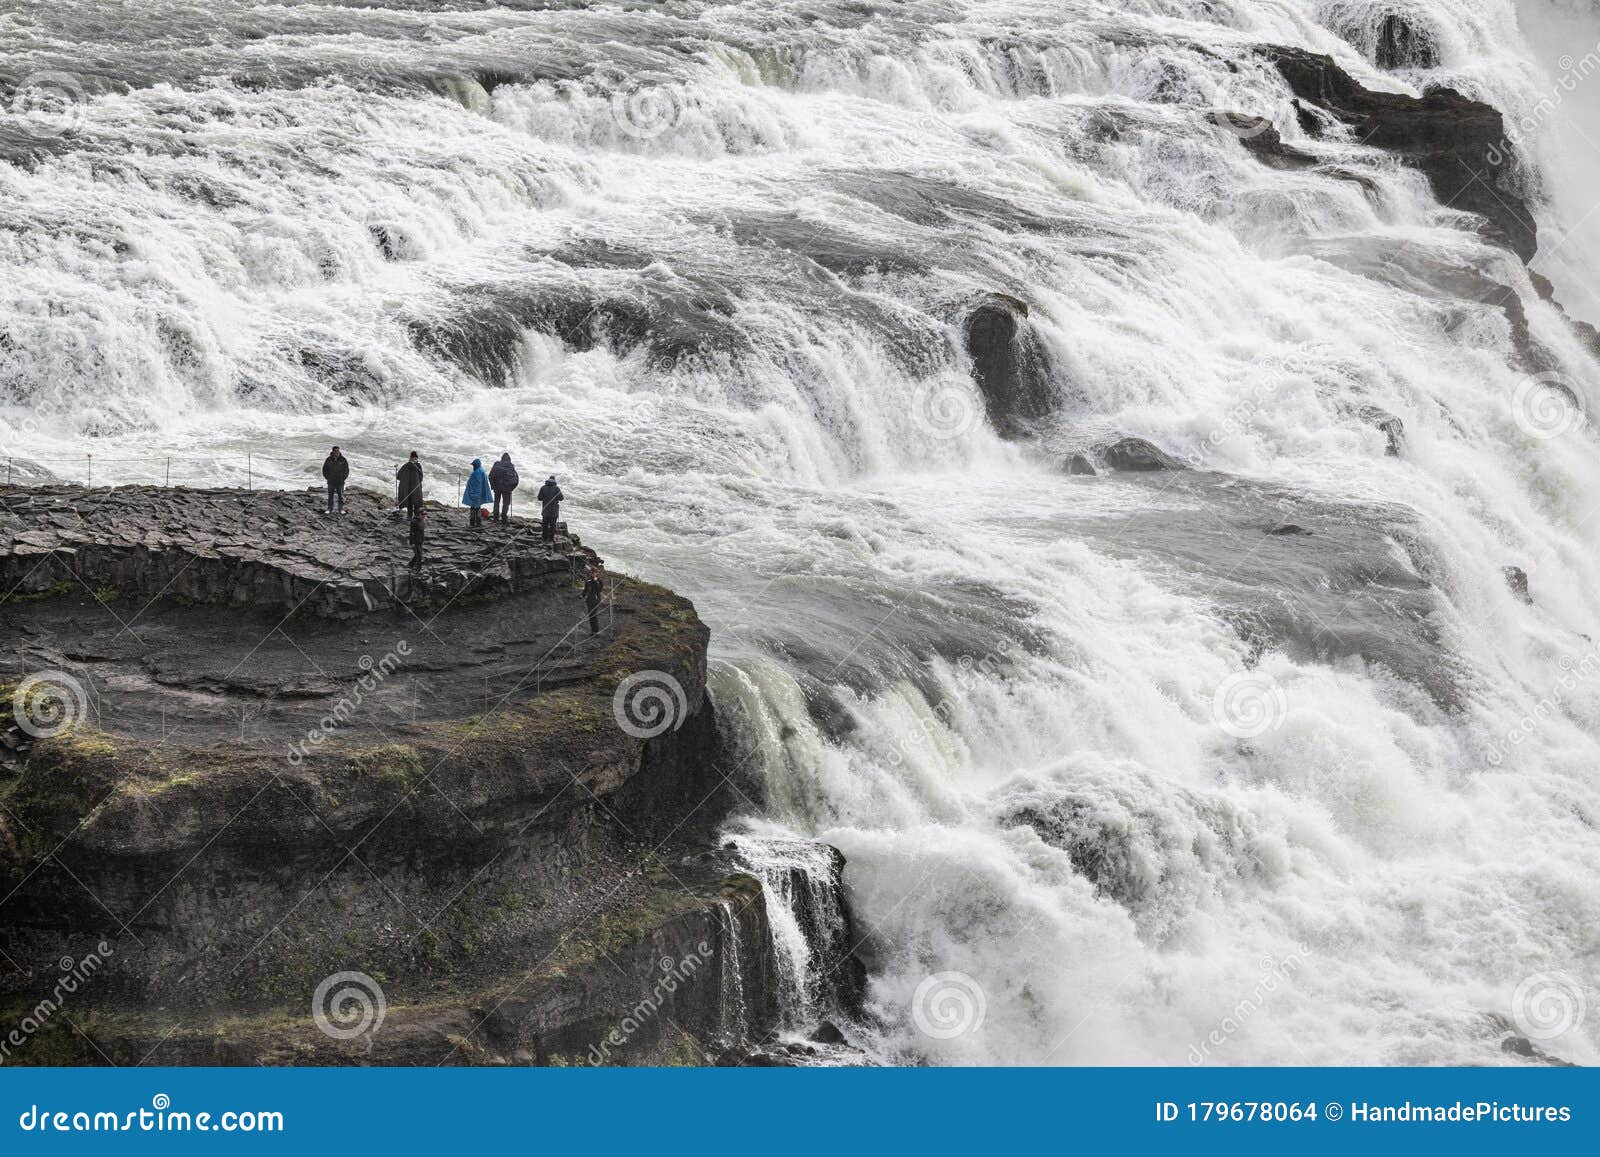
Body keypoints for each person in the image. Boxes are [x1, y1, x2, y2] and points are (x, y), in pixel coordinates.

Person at [488, 452, 519, 524]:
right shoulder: (511, 466)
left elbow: (490, 476)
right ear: (509, 459)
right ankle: (504, 518)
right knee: (506, 503)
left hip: (497, 487)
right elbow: (516, 479)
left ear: (501, 458)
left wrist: (493, 486)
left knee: (496, 502)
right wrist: (512, 488)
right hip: (507, 489)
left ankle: (495, 518)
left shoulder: (496, 465)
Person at [462, 458, 492, 527]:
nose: (473, 467)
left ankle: (473, 522)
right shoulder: (482, 471)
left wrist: (474, 495)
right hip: (479, 494)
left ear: (475, 465)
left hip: (476, 494)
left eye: (473, 465)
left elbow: (476, 486)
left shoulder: (476, 473)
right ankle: (478, 522)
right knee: (478, 508)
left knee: (473, 508)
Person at [395, 451, 423, 519]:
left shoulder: (405, 466)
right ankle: (416, 516)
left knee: (409, 503)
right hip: (416, 489)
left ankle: (409, 516)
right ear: (416, 458)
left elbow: (398, 476)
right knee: (416, 503)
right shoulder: (418, 466)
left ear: (410, 458)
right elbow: (421, 477)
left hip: (407, 489)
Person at [536, 474, 563, 544]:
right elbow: (561, 498)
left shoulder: (543, 488)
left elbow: (539, 498)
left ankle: (544, 538)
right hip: (554, 511)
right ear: (554, 481)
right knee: (553, 525)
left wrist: (545, 498)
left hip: (545, 510)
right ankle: (551, 539)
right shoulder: (556, 488)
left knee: (545, 524)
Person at [322, 446, 349, 514]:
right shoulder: (328, 459)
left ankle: (341, 509)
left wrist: (343, 478)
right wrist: (328, 478)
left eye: (338, 451)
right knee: (330, 496)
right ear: (333, 451)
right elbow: (324, 470)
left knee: (341, 496)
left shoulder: (343, 459)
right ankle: (329, 509)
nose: (337, 452)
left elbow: (346, 470)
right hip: (331, 481)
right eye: (336, 451)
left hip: (340, 482)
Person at [582, 565, 605, 636]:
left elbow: (599, 590)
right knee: (590, 615)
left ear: (597, 573)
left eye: (594, 572)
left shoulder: (599, 581)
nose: (593, 574)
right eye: (592, 572)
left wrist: (595, 581)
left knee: (594, 615)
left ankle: (596, 631)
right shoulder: (588, 580)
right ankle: (592, 631)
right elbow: (586, 589)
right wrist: (582, 595)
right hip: (589, 600)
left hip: (596, 600)